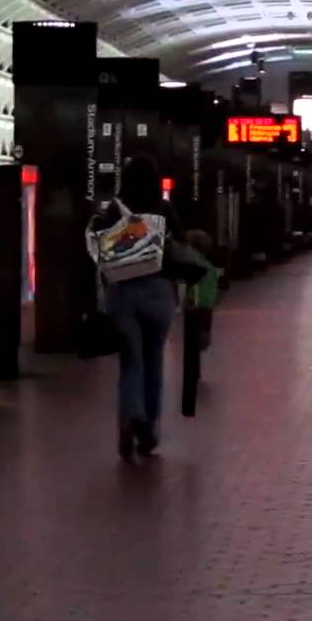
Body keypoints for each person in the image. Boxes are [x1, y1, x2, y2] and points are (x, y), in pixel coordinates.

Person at [89, 155, 184, 461]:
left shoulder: (114, 209)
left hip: (123, 292)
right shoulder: (164, 209)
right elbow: (181, 246)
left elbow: (98, 250)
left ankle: (131, 416)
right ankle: (149, 428)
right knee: (153, 359)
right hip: (158, 291)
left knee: (131, 361)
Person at [181, 229, 217, 418]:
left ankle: (193, 371)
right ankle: (196, 369)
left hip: (193, 307)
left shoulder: (191, 265)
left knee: (191, 342)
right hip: (206, 307)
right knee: (201, 338)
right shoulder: (209, 266)